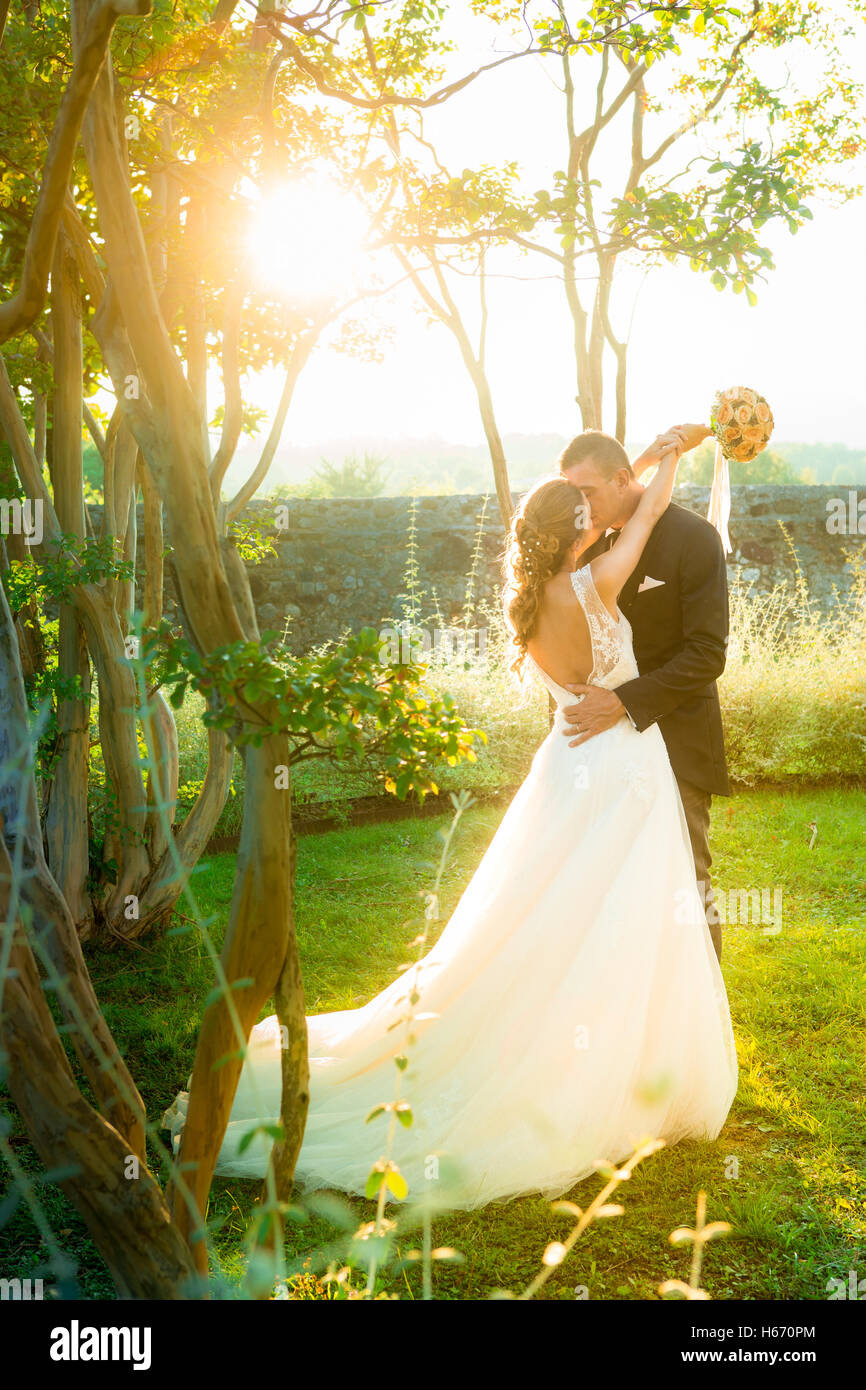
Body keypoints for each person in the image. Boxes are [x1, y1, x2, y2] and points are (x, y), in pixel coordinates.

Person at [163, 435, 738, 1212]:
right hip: (624, 770)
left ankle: (599, 1047)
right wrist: (669, 458)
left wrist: (650, 462)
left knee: (558, 918)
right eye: (585, 511)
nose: (600, 518)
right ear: (577, 530)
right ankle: (627, 1066)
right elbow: (645, 517)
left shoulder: (535, 606)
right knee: (628, 912)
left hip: (571, 772)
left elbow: (644, 541)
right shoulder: (601, 582)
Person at [557, 424, 728, 962]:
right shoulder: (589, 548)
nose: (579, 508)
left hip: (676, 739)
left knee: (685, 875)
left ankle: (706, 1014)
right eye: (571, 495)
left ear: (624, 478)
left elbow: (707, 654)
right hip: (606, 750)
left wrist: (624, 701)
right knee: (616, 877)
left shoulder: (695, 538)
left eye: (586, 493)